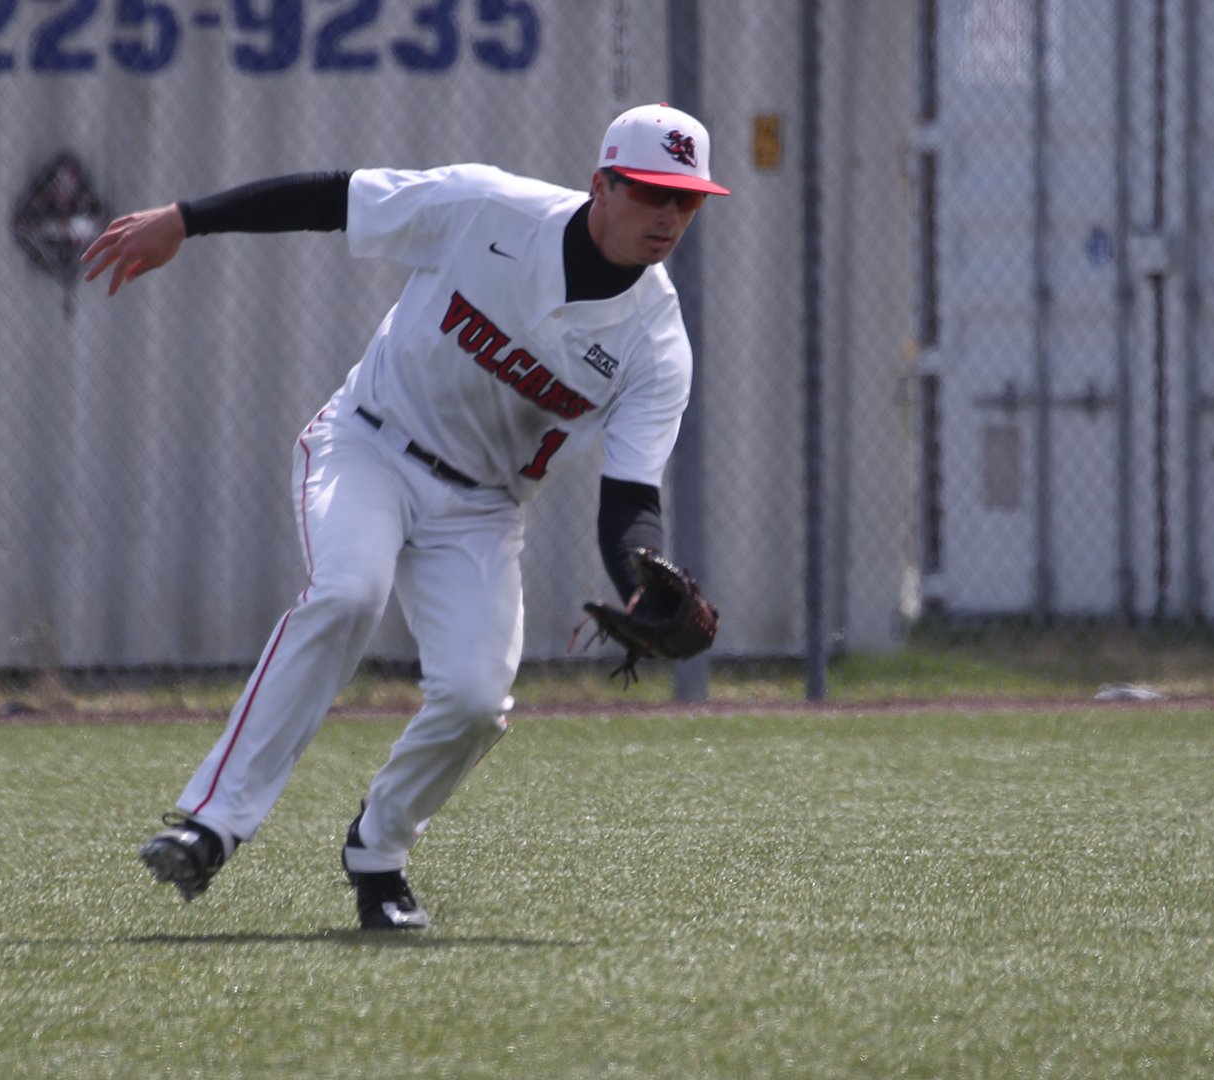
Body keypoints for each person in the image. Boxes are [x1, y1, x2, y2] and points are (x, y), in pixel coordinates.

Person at [80, 104, 728, 930]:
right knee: (348, 593)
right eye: (650, 191)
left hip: (484, 508)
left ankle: (377, 853)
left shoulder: (657, 343)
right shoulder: (488, 209)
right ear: (601, 184)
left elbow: (631, 501)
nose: (670, 215)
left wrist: (642, 580)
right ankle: (212, 822)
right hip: (370, 446)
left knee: (475, 699)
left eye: (690, 199)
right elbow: (331, 197)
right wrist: (186, 220)